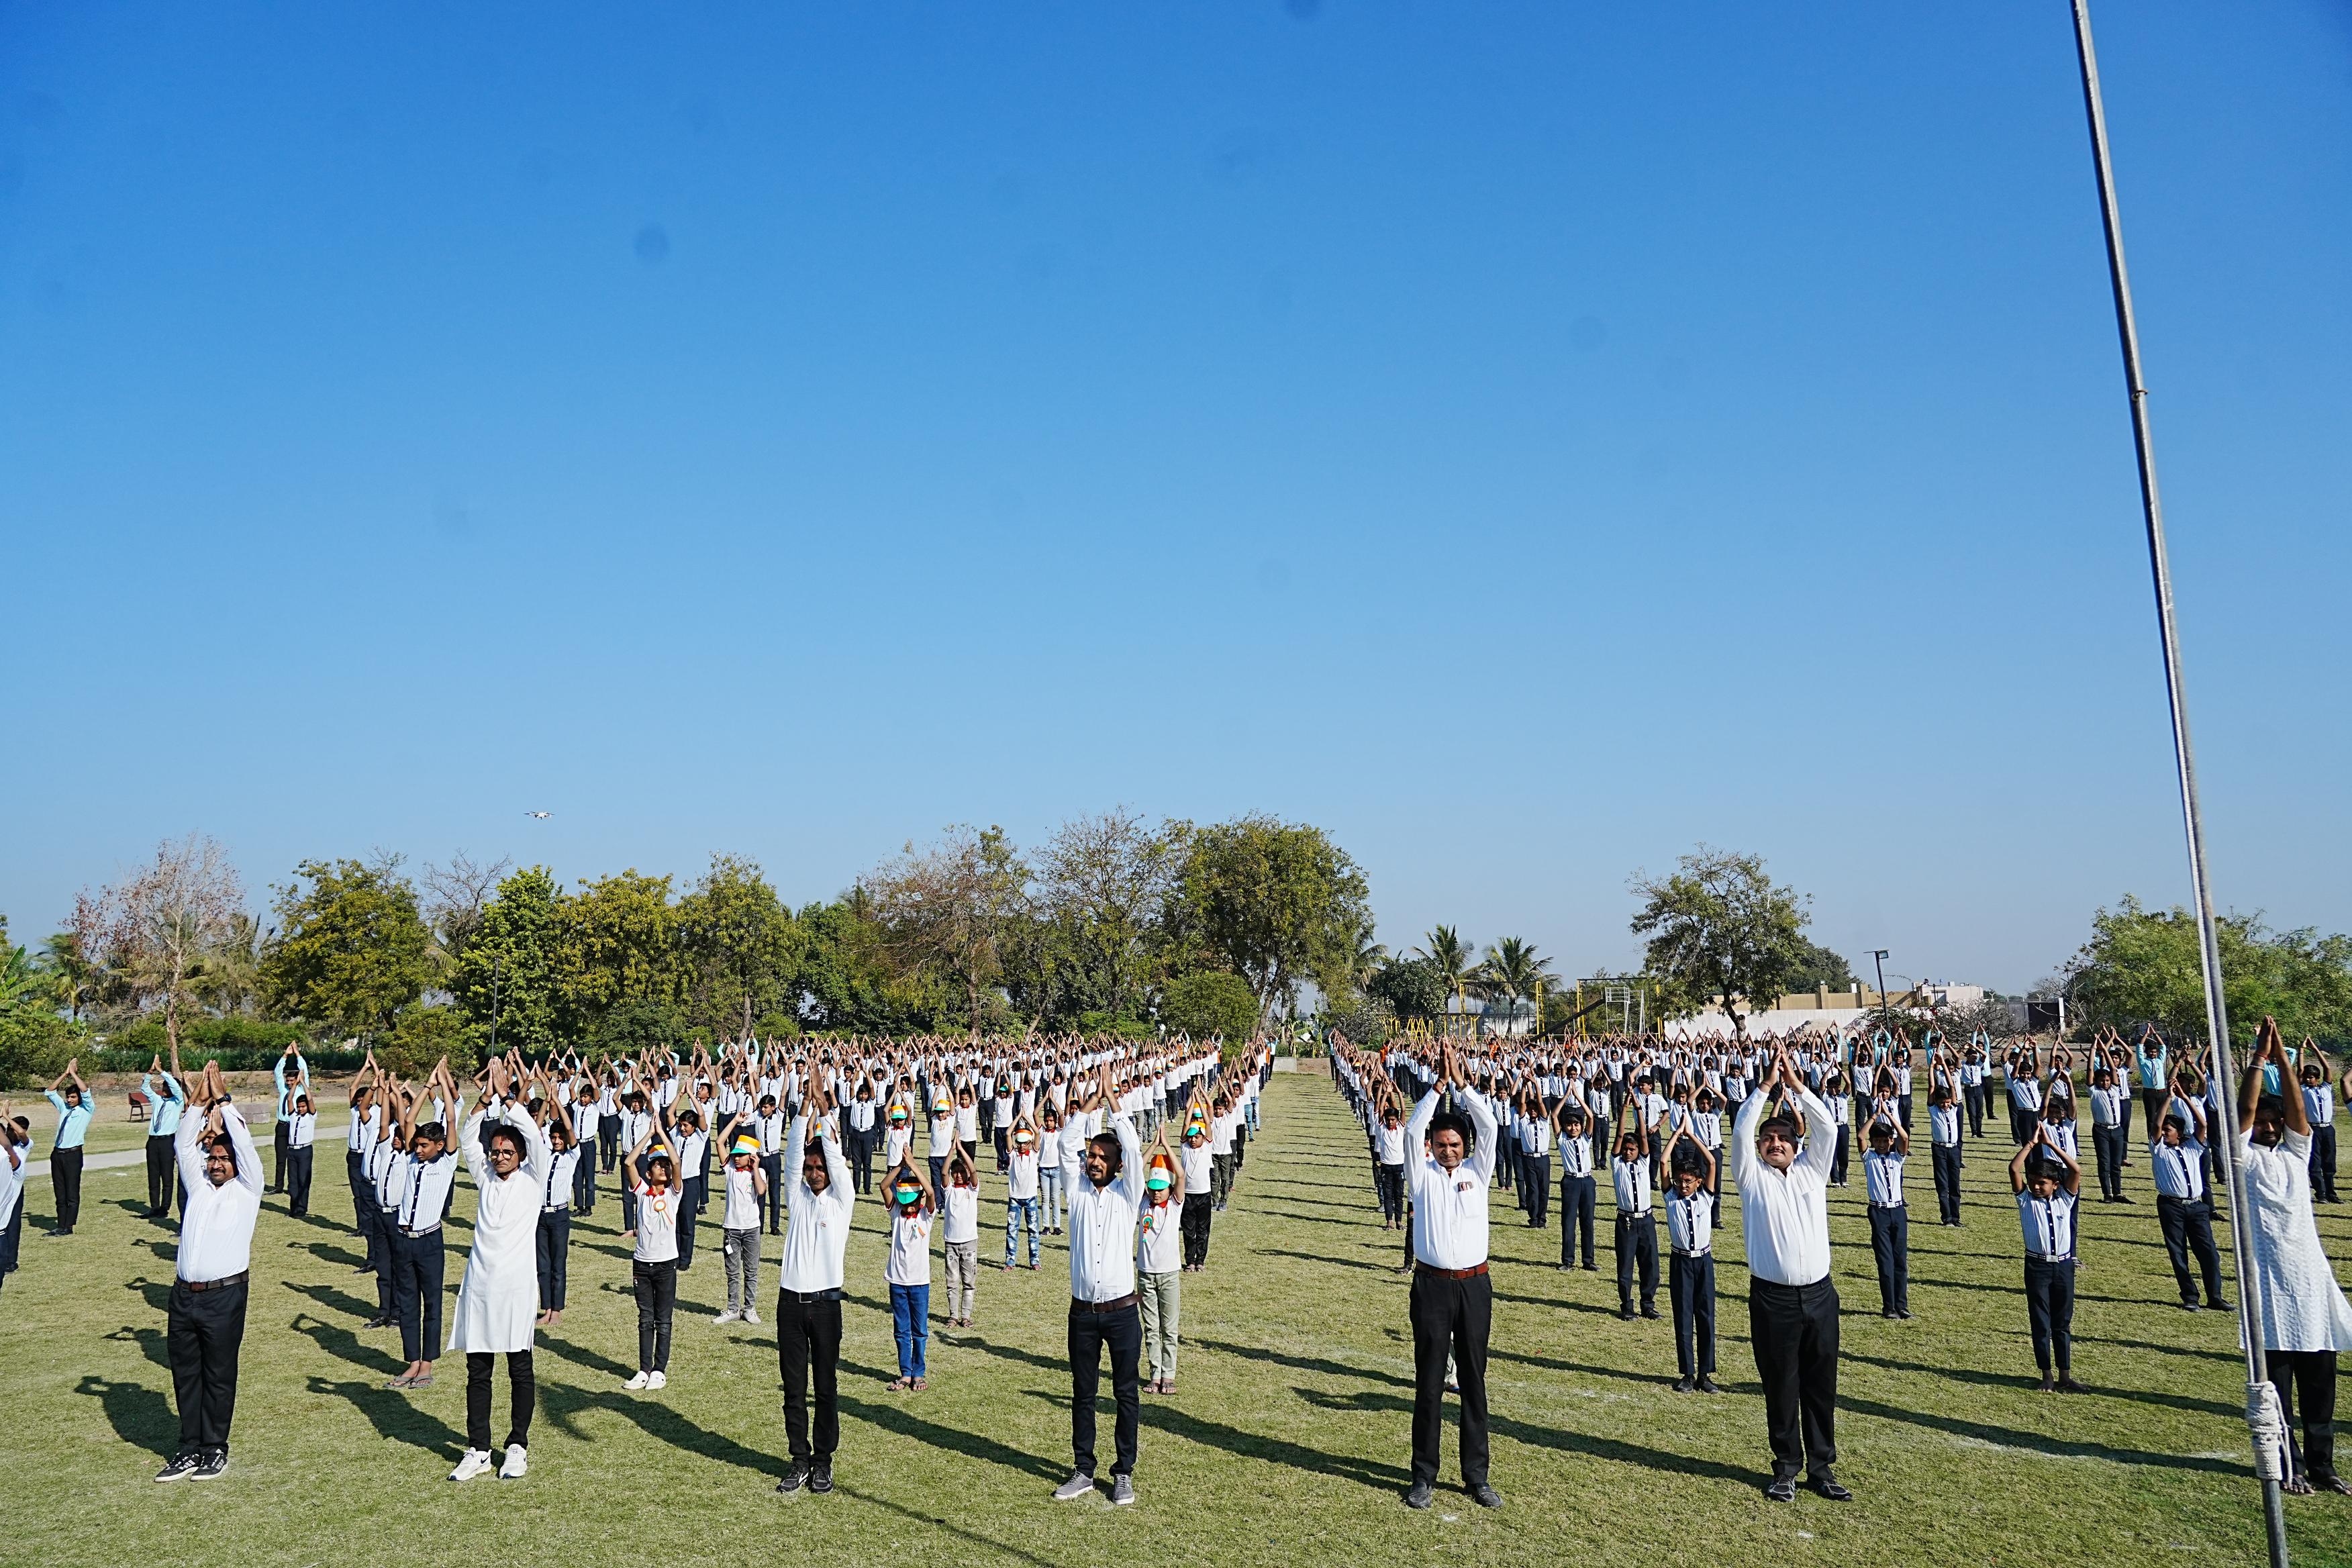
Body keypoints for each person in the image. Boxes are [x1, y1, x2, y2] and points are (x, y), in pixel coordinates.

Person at [2237, 1020, 2352, 1494]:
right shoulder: (2241, 1158)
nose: (2267, 1127)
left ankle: (2322, 1466)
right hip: (2267, 1292)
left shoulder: (2296, 1154)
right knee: (2277, 1394)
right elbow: (2243, 1112)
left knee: (2321, 1392)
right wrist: (2260, 1061)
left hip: (2311, 1289)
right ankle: (2289, 1467)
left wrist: (2285, 1058)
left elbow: (2300, 1111)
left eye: (2274, 1122)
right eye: (2262, 1123)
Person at [1732, 1045, 1849, 1502]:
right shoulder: (1751, 1176)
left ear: (1797, 1147)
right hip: (1773, 1300)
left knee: (1821, 1385)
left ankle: (1821, 1469)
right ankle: (1785, 1468)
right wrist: (1764, 1087)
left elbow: (1829, 1127)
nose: (1775, 1142)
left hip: (1820, 1296)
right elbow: (1742, 1131)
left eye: (1783, 1137)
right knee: (1781, 1386)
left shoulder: (1812, 1171)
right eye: (1769, 1138)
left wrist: (1798, 1087)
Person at [1400, 1046, 1502, 1512]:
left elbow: (1491, 1126)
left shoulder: (1479, 1173)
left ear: (1466, 1147)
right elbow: (1410, 1128)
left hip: (1475, 1286)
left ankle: (1476, 1476)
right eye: (1441, 1144)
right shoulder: (1421, 1177)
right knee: (1428, 1383)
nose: (1448, 1150)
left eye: (1455, 1144)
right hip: (1432, 1287)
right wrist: (1438, 1086)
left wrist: (1462, 1084)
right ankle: (1424, 1476)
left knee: (1474, 1381)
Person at [156, 1062, 261, 1481]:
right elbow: (184, 1144)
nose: (217, 1163)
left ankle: (215, 1448)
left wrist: (224, 1100)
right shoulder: (198, 1185)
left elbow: (246, 1146)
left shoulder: (248, 1188)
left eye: (223, 1158)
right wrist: (199, 1099)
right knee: (185, 1373)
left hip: (224, 1297)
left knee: (218, 1374)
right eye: (213, 1157)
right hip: (184, 1295)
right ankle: (188, 1448)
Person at [446, 1058, 550, 1481]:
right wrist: (484, 1100)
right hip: (479, 1287)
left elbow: (533, 1136)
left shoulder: (533, 1178)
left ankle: (517, 1445)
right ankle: (477, 1447)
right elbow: (468, 1139)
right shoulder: (485, 1176)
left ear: (521, 1156)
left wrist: (509, 1099)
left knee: (520, 1367)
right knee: (478, 1370)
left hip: (517, 1288)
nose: (500, 1156)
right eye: (497, 1151)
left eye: (508, 1152)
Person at [1054, 1061, 1148, 1508]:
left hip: (1123, 1313)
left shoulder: (1129, 1196)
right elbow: (1065, 1140)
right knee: (1083, 1393)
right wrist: (1090, 1101)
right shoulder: (1074, 1192)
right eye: (1090, 1157)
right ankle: (1083, 1470)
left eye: (1100, 1158)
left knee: (1126, 1393)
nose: (1092, 1161)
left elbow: (1131, 1145)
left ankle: (1123, 1472)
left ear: (1115, 1166)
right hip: (1083, 1314)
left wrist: (1115, 1101)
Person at [774, 1073, 852, 1496]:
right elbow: (790, 1155)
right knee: (793, 1388)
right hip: (790, 1304)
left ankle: (823, 1462)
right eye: (811, 1167)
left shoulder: (842, 1201)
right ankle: (799, 1460)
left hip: (825, 1306)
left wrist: (826, 1108)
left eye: (820, 1167)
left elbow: (837, 1160)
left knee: (825, 1386)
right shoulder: (796, 1195)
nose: (815, 1172)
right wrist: (805, 1106)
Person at [385, 1060, 462, 1391]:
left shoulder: (445, 1162)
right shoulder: (409, 1159)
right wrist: (427, 1085)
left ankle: (427, 1364)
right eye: (416, 1145)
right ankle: (412, 1362)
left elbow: (453, 1116)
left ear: (439, 1146)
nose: (417, 1149)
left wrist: (444, 1084)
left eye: (423, 1146)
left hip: (430, 1241)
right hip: (403, 1239)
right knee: (406, 1303)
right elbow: (409, 1119)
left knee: (431, 1301)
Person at [2010, 1122, 2084, 1393]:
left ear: (2055, 1184)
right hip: (2037, 1266)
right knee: (2041, 1322)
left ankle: (2066, 1375)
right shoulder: (2025, 1201)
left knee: (2062, 1323)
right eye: (2033, 1182)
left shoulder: (2066, 1200)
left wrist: (2051, 1145)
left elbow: (2075, 1170)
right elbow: (2014, 1169)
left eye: (2042, 1183)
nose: (2036, 1186)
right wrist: (2031, 1144)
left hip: (2063, 1266)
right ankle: (2047, 1375)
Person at [1659, 1120, 1719, 1393]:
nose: (1684, 1185)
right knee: (1683, 1317)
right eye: (1680, 1180)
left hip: (1703, 1261)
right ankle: (1687, 1373)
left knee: (1706, 1316)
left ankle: (1705, 1373)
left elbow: (1711, 1162)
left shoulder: (1706, 1196)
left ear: (1698, 1181)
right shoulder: (1671, 1197)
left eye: (1689, 1181)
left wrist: (1692, 1135)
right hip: (1680, 1261)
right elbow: (1663, 1161)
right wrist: (1675, 1135)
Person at [2150, 1104, 2228, 1313]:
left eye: (2169, 1130)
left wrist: (2185, 1098)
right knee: (2178, 1253)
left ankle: (2215, 1297)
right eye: (2164, 1130)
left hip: (2196, 1206)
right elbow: (2156, 1124)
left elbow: (2203, 1124)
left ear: (2179, 1133)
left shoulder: (2193, 1148)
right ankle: (2190, 1296)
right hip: (2171, 1206)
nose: (2164, 1132)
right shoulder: (2159, 1150)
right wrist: (2168, 1098)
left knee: (2209, 1252)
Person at [624, 1118, 680, 1391]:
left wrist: (662, 1134)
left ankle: (659, 1370)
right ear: (649, 1172)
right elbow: (628, 1163)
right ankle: (644, 1369)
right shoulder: (642, 1192)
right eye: (658, 1165)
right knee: (645, 1319)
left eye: (665, 1166)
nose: (664, 1168)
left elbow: (677, 1162)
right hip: (642, 1264)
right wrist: (649, 1134)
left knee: (664, 1319)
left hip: (666, 1264)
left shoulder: (673, 1193)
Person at [1137, 1130, 1187, 1393]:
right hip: (1145, 1274)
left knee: (1169, 1328)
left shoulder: (1175, 1205)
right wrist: (1152, 1146)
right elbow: (1134, 1173)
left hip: (1168, 1274)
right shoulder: (1143, 1202)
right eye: (1153, 1189)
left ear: (1168, 1189)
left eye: (1160, 1189)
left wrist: (1166, 1146)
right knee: (1151, 1328)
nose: (1156, 1194)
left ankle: (1169, 1374)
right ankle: (1154, 1374)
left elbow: (1181, 1175)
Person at [883, 1157, 934, 1391]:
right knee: (901, 1330)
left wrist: (913, 1164)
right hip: (897, 1281)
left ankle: (918, 1374)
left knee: (920, 1331)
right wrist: (900, 1168)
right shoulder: (896, 1213)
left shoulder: (926, 1216)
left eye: (912, 1202)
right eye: (905, 1202)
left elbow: (931, 1190)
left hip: (919, 1282)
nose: (908, 1207)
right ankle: (905, 1373)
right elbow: (884, 1186)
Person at [714, 1123, 769, 1326]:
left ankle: (750, 1308)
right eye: (735, 1154)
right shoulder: (729, 1169)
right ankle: (732, 1309)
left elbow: (761, 1192)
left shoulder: (759, 1172)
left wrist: (755, 1168)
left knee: (751, 1270)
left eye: (741, 1155)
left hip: (752, 1229)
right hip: (731, 1229)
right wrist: (736, 1120)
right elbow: (720, 1142)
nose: (736, 1158)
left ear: (752, 1157)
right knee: (732, 1270)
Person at [1861, 1116, 1911, 1320]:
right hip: (1879, 1212)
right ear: (1873, 1142)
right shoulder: (1869, 1158)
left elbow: (1904, 1136)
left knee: (1900, 1260)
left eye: (1885, 1140)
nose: (1882, 1144)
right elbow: (1860, 1135)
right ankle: (1889, 1307)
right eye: (1878, 1141)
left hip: (1898, 1211)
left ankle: (1902, 1305)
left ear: (1891, 1140)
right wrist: (1874, 1116)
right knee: (1885, 1261)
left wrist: (1889, 1115)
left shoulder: (1897, 1158)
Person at [1609, 1122, 1659, 1320]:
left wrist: (1638, 1108)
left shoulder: (1644, 1164)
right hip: (1626, 1222)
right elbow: (1619, 1135)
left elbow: (1645, 1137)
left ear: (1639, 1150)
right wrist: (1625, 1106)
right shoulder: (1617, 1164)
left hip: (1646, 1220)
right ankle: (1627, 1306)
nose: (1628, 1152)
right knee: (1626, 1267)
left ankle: (1647, 1305)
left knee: (1651, 1266)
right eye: (1625, 1149)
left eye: (1632, 1149)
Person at [538, 1110, 581, 1329]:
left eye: (560, 1138)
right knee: (543, 1265)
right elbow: (535, 1131)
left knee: (558, 1264)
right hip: (541, 1215)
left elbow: (571, 1129)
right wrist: (547, 1101)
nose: (556, 1141)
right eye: (553, 1137)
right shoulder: (544, 1155)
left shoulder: (572, 1156)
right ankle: (546, 1309)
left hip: (560, 1216)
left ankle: (557, 1310)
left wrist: (558, 1105)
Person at [41, 1059, 92, 1237]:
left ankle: (69, 1226)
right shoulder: (64, 1108)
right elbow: (49, 1092)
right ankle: (60, 1224)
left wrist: (74, 1074)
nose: (69, 1100)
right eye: (68, 1097)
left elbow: (85, 1091)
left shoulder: (86, 1109)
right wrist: (65, 1074)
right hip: (58, 1154)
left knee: (72, 1191)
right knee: (59, 1191)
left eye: (73, 1097)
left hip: (73, 1154)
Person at [139, 1056, 187, 1219]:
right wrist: (150, 1073)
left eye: (167, 1087)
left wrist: (162, 1072)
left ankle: (165, 1208)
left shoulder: (177, 1101)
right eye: (163, 1087)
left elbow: (177, 1089)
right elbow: (145, 1089)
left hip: (167, 1141)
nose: (164, 1090)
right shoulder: (158, 1100)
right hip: (153, 1141)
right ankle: (154, 1207)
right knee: (153, 1175)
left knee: (167, 1176)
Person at [940, 1143, 981, 1326]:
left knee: (969, 1282)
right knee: (952, 1281)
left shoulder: (972, 1190)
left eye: (961, 1172)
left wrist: (961, 1150)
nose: (958, 1175)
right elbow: (943, 1173)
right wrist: (951, 1150)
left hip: (969, 1242)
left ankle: (966, 1316)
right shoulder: (949, 1191)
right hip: (951, 1242)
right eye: (955, 1172)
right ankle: (953, 1316)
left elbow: (973, 1171)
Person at [1555, 1102, 1597, 1272]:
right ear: (1565, 1127)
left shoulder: (1586, 1138)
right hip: (1571, 1182)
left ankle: (1588, 1260)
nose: (1573, 1128)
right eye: (1570, 1125)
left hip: (1587, 1182)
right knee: (1569, 1221)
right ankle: (1568, 1260)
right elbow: (1553, 1116)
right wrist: (1566, 1096)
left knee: (1587, 1221)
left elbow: (1591, 1116)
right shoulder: (1563, 1140)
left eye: (1577, 1124)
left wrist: (1578, 1097)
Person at [1003, 1115, 1042, 1270]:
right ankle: (1010, 1262)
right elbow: (1008, 1133)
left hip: (1031, 1198)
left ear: (1030, 1143)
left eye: (1024, 1143)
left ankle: (1035, 1261)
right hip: (1015, 1199)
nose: (1021, 1146)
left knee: (1033, 1230)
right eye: (1018, 1143)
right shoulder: (1012, 1155)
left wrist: (1026, 1117)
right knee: (1012, 1230)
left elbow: (1038, 1133)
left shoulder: (1033, 1154)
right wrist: (1018, 1117)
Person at [271, 1042, 309, 1194]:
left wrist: (298, 1054)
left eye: (291, 1081)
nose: (289, 1083)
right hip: (282, 1126)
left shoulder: (301, 1089)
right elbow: (277, 1072)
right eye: (287, 1081)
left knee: (294, 1159)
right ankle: (278, 1186)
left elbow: (304, 1070)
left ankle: (293, 1186)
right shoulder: (283, 1089)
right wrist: (286, 1055)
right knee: (281, 1158)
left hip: (295, 1126)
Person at [1927, 1084, 1963, 1227]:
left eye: (1948, 1101)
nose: (1946, 1104)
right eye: (1942, 1102)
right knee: (1943, 1184)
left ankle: (1956, 1217)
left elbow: (1953, 1087)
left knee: (1955, 1185)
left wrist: (1943, 1062)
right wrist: (1931, 1067)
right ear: (1936, 1101)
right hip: (1939, 1149)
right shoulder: (1934, 1110)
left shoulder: (1954, 1109)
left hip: (1954, 1150)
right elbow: (1931, 1087)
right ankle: (1947, 1218)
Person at [283, 1091, 318, 1218]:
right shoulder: (293, 1116)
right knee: (293, 1182)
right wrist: (295, 1085)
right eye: (299, 1106)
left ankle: (301, 1209)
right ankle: (294, 1209)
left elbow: (310, 1099)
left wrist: (302, 1082)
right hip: (292, 1151)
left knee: (303, 1180)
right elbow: (289, 1099)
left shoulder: (311, 1116)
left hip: (305, 1150)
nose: (300, 1109)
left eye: (303, 1106)